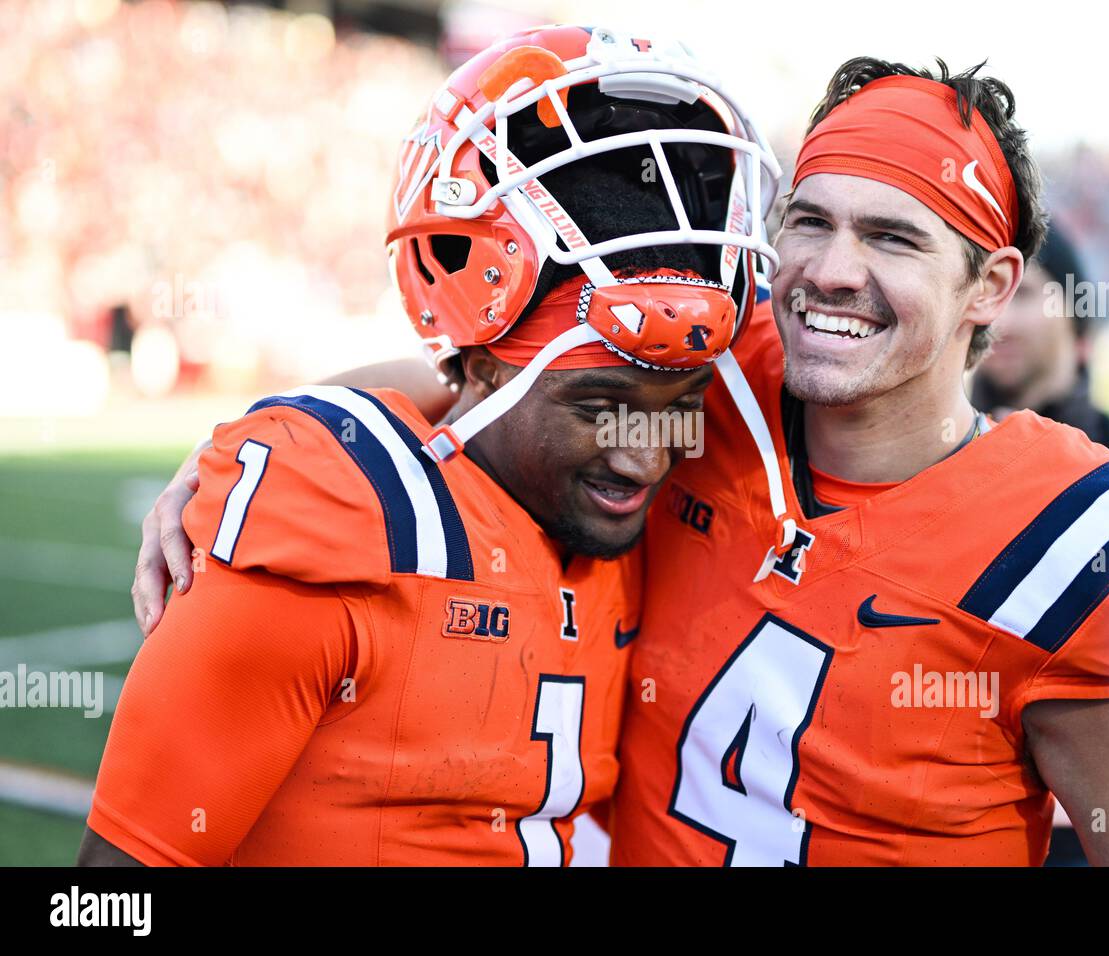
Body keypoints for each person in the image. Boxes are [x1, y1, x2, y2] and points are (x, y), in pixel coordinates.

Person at [134, 56, 1109, 867]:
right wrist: (255, 440)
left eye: (893, 238)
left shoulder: (1070, 541)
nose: (831, 271)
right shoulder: (711, 384)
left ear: (989, 285)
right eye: (810, 222)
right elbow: (493, 373)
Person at [81, 24, 779, 866]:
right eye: (599, 404)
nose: (644, 456)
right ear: (479, 358)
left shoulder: (621, 500)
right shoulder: (339, 513)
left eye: (681, 406)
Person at [971, 222, 1109, 474]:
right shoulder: (936, 455)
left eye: (1022, 294)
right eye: (990, 293)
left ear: (1079, 329)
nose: (999, 321)